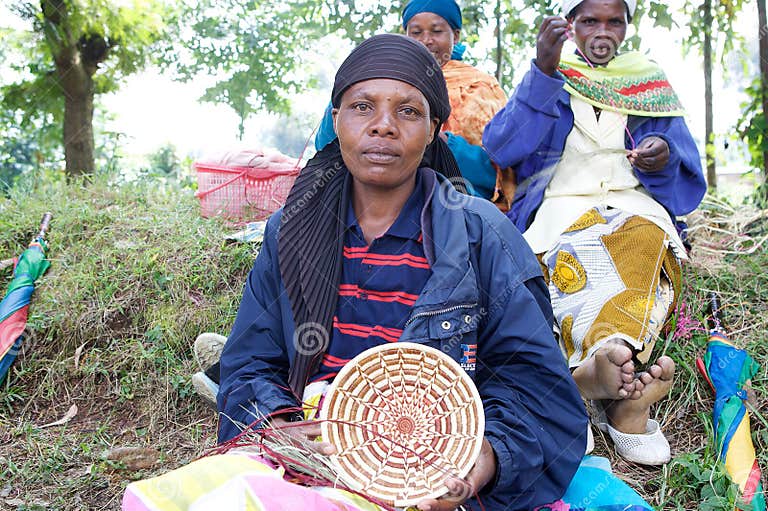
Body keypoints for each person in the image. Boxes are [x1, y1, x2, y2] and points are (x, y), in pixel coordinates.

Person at [133, 34, 587, 511]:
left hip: (429, 477)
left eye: (408, 112)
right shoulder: (291, 231)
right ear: (337, 120)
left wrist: (488, 457)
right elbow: (249, 365)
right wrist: (280, 431)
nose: (383, 127)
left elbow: (539, 391)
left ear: (434, 129)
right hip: (305, 464)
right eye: (362, 107)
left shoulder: (483, 235)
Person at [482, 0, 707, 466]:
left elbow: (685, 169)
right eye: (589, 21)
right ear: (570, 26)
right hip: (559, 212)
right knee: (576, 251)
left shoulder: (646, 80)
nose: (602, 31)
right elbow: (501, 144)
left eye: (614, 21)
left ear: (626, 27)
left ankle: (593, 375)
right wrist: (542, 74)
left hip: (632, 204)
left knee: (643, 244)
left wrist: (661, 155)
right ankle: (622, 396)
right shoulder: (551, 74)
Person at [313, 0, 510, 204]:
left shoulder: (481, 87)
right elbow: (326, 145)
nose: (427, 40)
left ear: (456, 35)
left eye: (436, 31)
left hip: (457, 200)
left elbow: (496, 171)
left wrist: (446, 144)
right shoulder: (383, 76)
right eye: (416, 32)